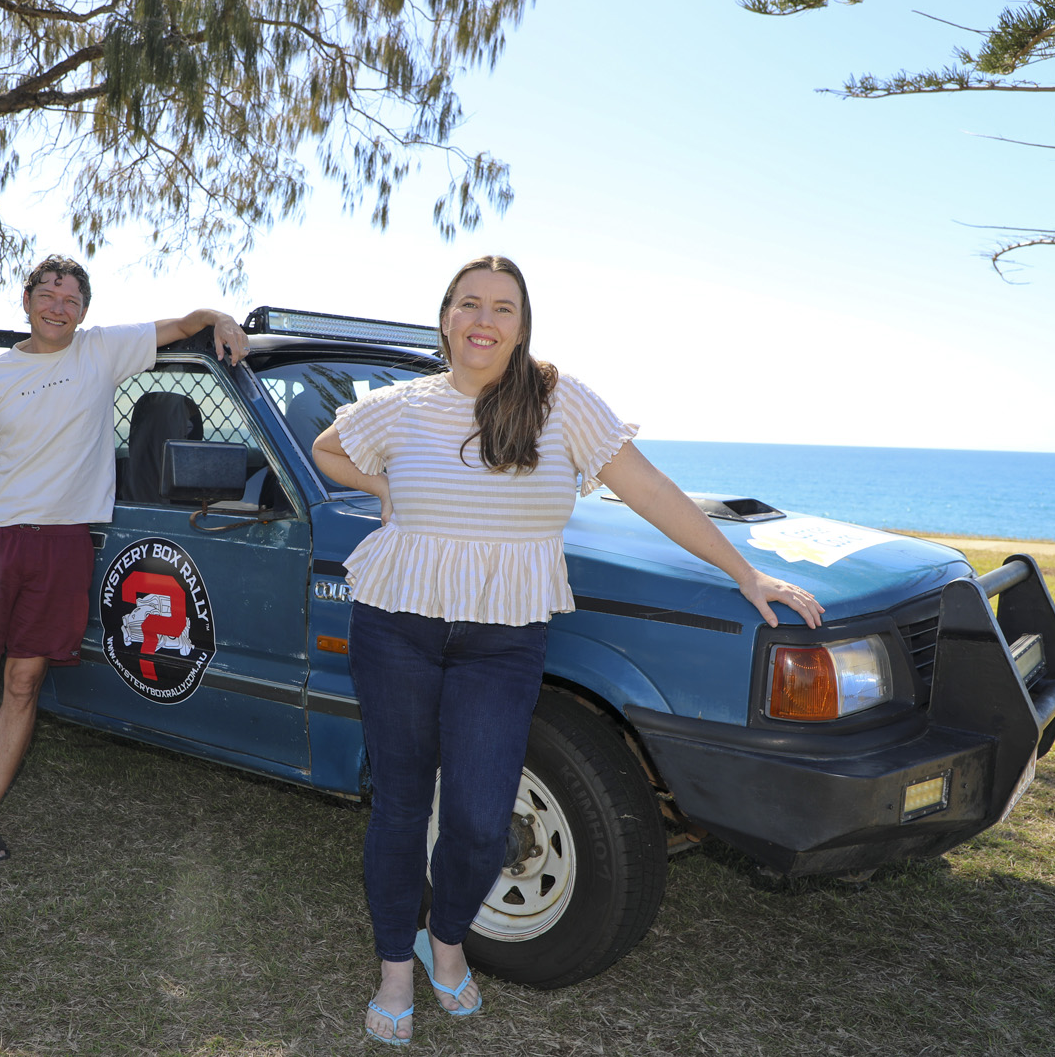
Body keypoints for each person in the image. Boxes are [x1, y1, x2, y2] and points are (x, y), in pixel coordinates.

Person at [311, 255, 824, 1044]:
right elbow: (325, 449)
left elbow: (649, 489)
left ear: (522, 325)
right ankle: (394, 969)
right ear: (445, 315)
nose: (485, 319)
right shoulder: (400, 407)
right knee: (403, 805)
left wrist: (744, 570)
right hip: (396, 626)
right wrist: (392, 494)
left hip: (503, 638)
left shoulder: (558, 403)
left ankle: (445, 939)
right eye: (470, 303)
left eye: (504, 307)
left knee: (481, 820)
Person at [0, 255, 249, 864]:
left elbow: (180, 324)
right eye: (48, 293)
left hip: (63, 544)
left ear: (84, 311)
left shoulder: (101, 352)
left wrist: (219, 317)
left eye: (70, 298)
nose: (58, 306)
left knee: (23, 681)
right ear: (27, 300)